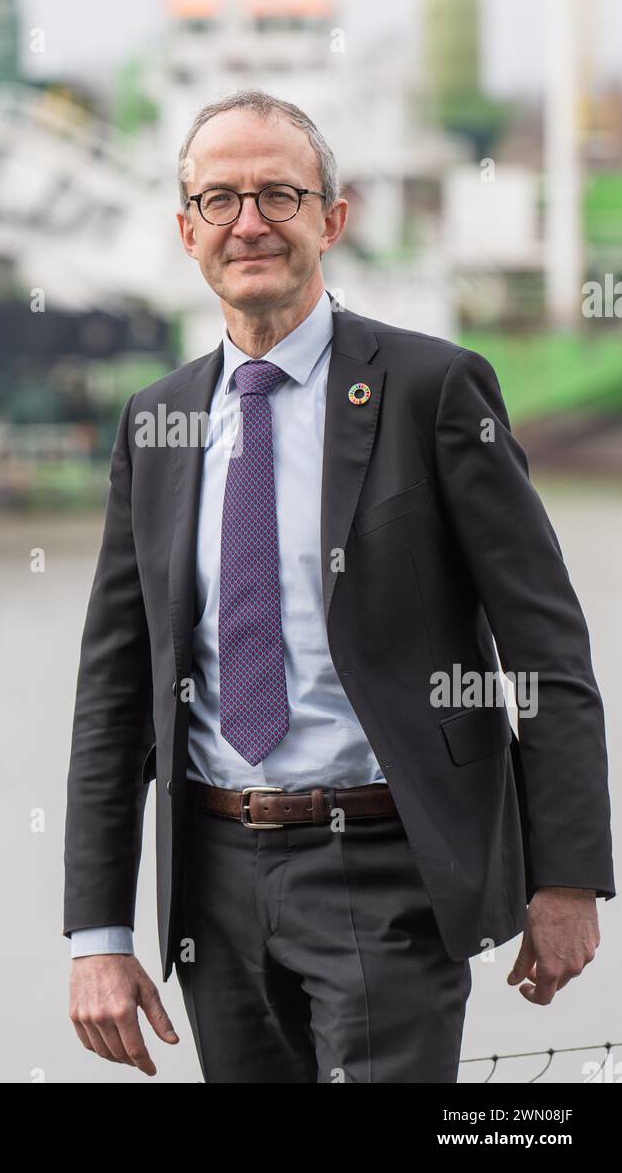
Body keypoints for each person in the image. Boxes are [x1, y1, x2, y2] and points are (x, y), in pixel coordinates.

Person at [63, 88, 615, 1083]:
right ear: (184, 230)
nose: (250, 224)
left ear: (332, 217)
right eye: (219, 200)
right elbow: (111, 695)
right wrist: (97, 934)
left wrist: (566, 875)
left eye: (278, 195)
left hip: (386, 866)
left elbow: (544, 648)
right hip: (213, 884)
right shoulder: (157, 423)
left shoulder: (431, 391)